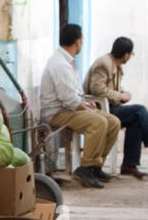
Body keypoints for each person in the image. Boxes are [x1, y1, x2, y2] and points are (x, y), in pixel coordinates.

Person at [39, 23, 121, 189]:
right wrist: (86, 108)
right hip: (58, 113)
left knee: (113, 122)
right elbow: (69, 99)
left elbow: (75, 93)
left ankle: (95, 166)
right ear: (77, 42)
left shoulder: (67, 61)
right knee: (98, 122)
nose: (81, 44)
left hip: (70, 109)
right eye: (81, 41)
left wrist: (86, 103)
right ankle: (85, 168)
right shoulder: (59, 64)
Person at [84, 37, 148, 179]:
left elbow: (110, 88)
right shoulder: (104, 63)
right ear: (126, 54)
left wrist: (122, 93)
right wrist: (120, 96)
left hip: (112, 106)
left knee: (136, 120)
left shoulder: (116, 66)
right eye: (130, 55)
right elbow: (96, 88)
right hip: (102, 108)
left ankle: (129, 165)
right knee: (140, 110)